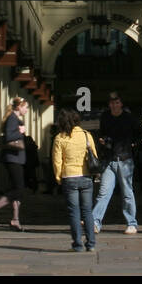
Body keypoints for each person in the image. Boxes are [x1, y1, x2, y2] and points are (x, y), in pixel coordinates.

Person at [92, 92, 142, 235]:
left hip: (125, 160)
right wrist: (102, 140)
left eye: (117, 103)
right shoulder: (105, 117)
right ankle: (95, 222)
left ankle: (132, 223)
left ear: (121, 104)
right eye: (112, 103)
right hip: (109, 160)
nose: (114, 105)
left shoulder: (129, 118)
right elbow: (101, 133)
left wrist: (136, 144)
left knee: (127, 193)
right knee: (103, 192)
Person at [51, 108, 99, 252]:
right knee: (87, 211)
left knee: (74, 212)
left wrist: (59, 177)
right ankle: (91, 244)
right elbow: (94, 155)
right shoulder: (86, 135)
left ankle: (77, 244)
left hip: (69, 177)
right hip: (85, 177)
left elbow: (57, 161)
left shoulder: (60, 138)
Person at [0, 97, 29, 230]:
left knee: (16, 190)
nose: (26, 110)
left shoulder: (15, 119)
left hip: (16, 158)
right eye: (25, 107)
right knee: (18, 189)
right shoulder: (12, 119)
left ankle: (15, 219)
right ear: (18, 107)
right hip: (12, 158)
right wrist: (20, 132)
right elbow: (9, 136)